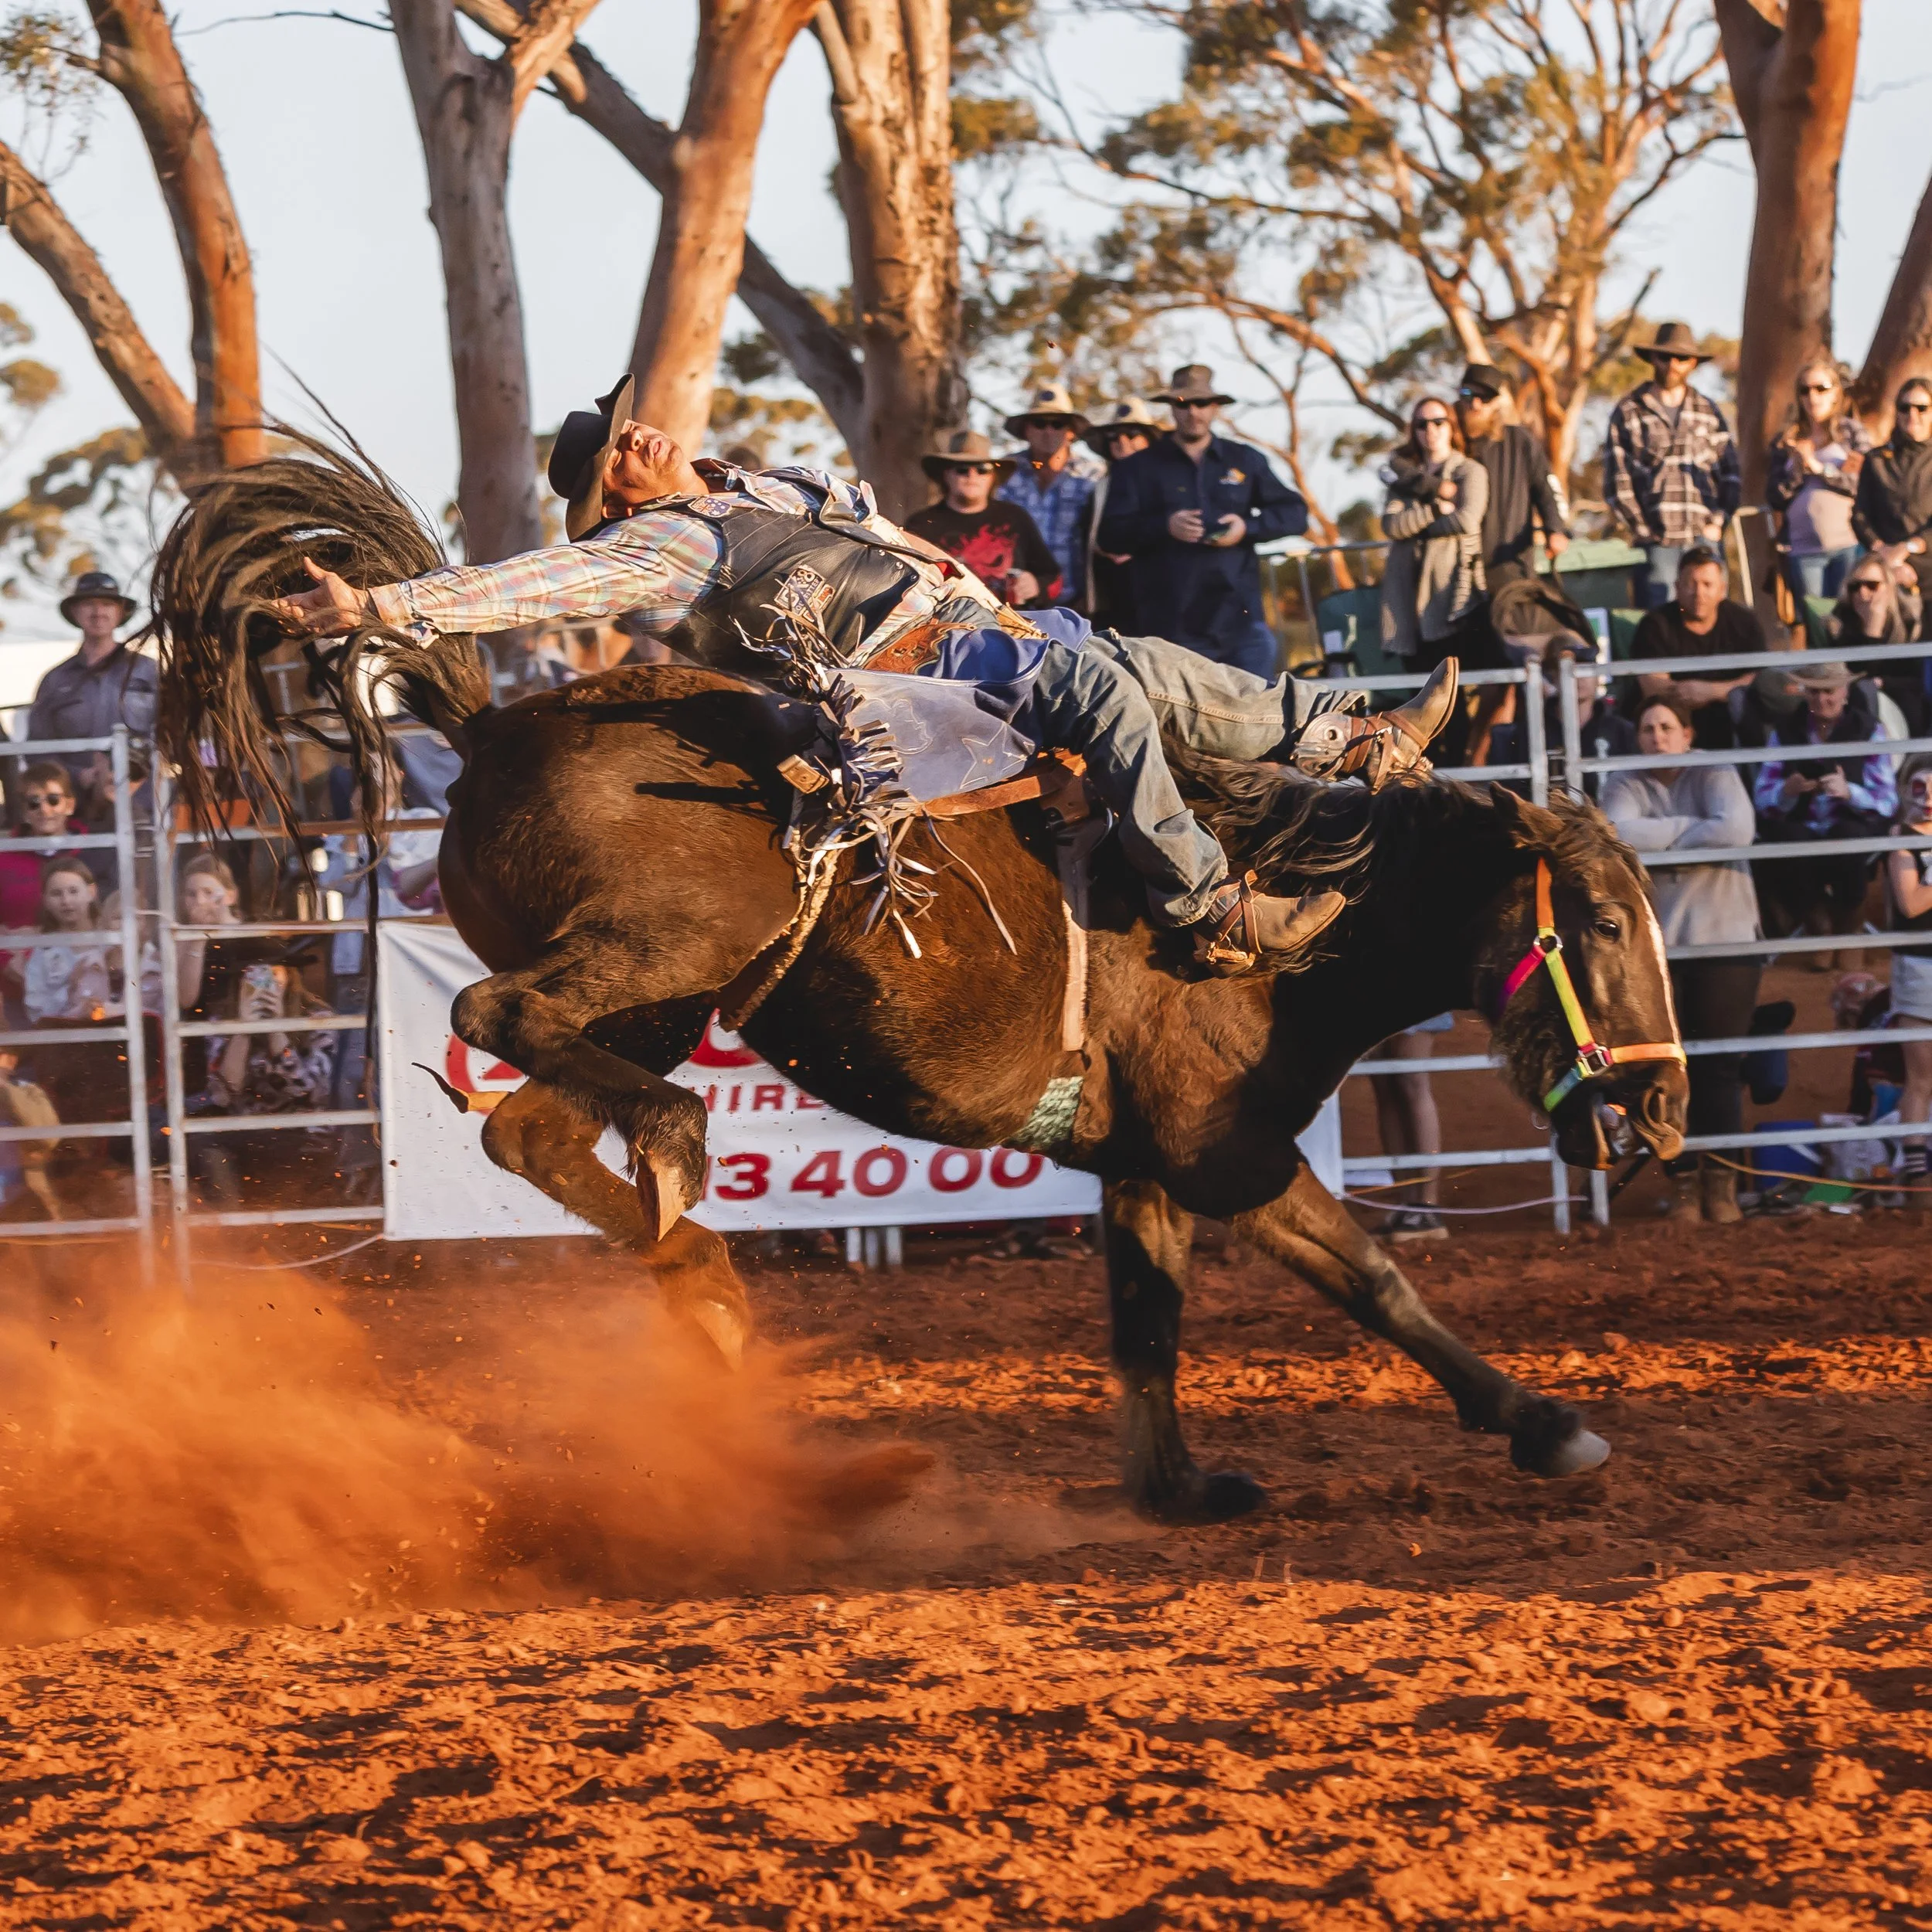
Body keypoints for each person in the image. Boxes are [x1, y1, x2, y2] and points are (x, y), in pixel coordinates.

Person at [274, 378, 1458, 978]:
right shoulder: (666, 545)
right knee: (1103, 694)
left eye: (631, 429)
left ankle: (1347, 739)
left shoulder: (757, 490)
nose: (638, 438)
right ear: (618, 502)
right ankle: (1208, 906)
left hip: (970, 628)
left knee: (1141, 664)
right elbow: (529, 589)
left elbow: (877, 529)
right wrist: (382, 605)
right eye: (620, 455)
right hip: (906, 682)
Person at [1603, 692, 1761, 1224]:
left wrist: (1662, 842)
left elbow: (1738, 830)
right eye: (1649, 729)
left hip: (1726, 941)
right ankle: (1685, 1186)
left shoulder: (1716, 771)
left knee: (1719, 1068)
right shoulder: (1624, 782)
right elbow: (1617, 835)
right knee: (1666, 1070)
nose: (1658, 737)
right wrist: (1695, 833)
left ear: (1687, 734)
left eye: (1668, 727)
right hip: (1657, 951)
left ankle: (1723, 1186)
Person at [1097, 364, 1310, 678]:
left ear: (1215, 408)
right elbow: (1110, 536)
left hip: (1240, 624)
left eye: (1201, 404)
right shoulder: (1138, 468)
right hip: (1169, 629)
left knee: (1255, 718)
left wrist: (1245, 528)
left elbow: (1296, 514)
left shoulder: (1244, 460)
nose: (1192, 412)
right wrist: (1164, 527)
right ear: (1171, 408)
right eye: (1183, 404)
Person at [1752, 661, 1896, 940]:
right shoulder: (1783, 732)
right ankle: (1816, 923)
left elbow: (1887, 801)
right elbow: (1762, 798)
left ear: (1845, 691)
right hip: (1800, 824)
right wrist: (1787, 791)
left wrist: (1850, 792)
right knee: (1791, 840)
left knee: (1849, 836)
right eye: (1813, 692)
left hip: (1850, 824)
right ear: (1804, 693)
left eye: (1829, 691)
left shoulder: (1870, 730)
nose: (1821, 699)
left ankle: (1849, 926)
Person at [1602, 322, 1742, 607]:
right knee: (1659, 621)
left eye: (1681, 358)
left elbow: (1731, 473)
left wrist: (1719, 521)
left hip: (1703, 539)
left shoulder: (1708, 410)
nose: (1672, 365)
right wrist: (1643, 530)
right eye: (1665, 357)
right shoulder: (1629, 411)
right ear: (1653, 359)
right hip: (1657, 544)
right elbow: (1617, 480)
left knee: (1712, 620)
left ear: (1693, 363)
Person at [187, 946, 338, 1206]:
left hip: (301, 1132)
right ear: (241, 979)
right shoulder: (221, 1021)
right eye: (255, 975)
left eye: (273, 975)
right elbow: (224, 1095)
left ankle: (266, 1234)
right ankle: (233, 1229)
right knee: (203, 1144)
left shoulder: (318, 1019)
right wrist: (243, 1030)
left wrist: (276, 1029)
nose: (265, 984)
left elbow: (306, 1090)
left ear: (290, 977)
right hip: (245, 1129)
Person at [24, 572, 158, 815]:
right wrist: (77, 775)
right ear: (75, 612)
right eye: (89, 604)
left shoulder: (148, 672)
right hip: (78, 814)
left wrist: (132, 772)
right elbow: (38, 751)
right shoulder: (55, 681)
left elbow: (171, 736)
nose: (98, 612)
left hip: (145, 806)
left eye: (107, 604)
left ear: (120, 613)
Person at [1379, 397, 1488, 668]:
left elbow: (1466, 520)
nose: (1431, 430)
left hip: (1453, 598)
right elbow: (1392, 526)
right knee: (1418, 696)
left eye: (1439, 422)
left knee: (1455, 692)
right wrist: (1435, 511)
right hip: (1407, 601)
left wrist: (1415, 529)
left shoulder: (1469, 472)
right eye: (1422, 424)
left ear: (1451, 426)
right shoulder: (1405, 478)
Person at [904, 431, 1060, 609]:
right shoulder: (921, 525)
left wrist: (1036, 586)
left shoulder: (1016, 518)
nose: (972, 476)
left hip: (1009, 627)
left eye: (982, 470)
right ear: (946, 475)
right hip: (943, 628)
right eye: (962, 470)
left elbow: (1054, 578)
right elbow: (905, 584)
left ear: (992, 476)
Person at [1629, 547, 1765, 750]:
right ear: (1677, 587)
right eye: (1691, 584)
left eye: (1707, 585)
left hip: (1731, 722)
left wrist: (1711, 691)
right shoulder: (1655, 624)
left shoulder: (1744, 622)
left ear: (1722, 589)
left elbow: (1760, 679)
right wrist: (1692, 693)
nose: (1699, 593)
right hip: (1675, 728)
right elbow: (1653, 687)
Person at [1766, 359, 1872, 602]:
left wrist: (1819, 468)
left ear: (1836, 393)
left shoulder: (1852, 434)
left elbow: (1865, 486)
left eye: (1820, 388)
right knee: (1818, 627)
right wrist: (1797, 470)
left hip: (1849, 544)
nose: (1812, 396)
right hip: (1803, 551)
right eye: (1805, 390)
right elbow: (1774, 496)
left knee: (1848, 620)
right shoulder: (1787, 439)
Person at [996, 383, 1103, 614]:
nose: (1048, 431)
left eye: (1058, 424)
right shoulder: (1003, 473)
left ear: (1071, 432)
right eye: (1039, 423)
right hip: (1016, 603)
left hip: (1076, 604)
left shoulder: (1093, 476)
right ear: (1026, 430)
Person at [1885, 754, 1932, 1201]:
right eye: (1919, 788)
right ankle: (1918, 1178)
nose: (1929, 799)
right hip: (1919, 966)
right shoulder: (1901, 837)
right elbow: (1911, 903)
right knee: (1921, 1079)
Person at [1368, 1015, 1451, 1243]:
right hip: (1370, 989)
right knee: (1385, 1088)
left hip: (1414, 989)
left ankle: (1427, 1208)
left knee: (1412, 1081)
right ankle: (1408, 1205)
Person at [1853, 377, 1932, 607]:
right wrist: (1883, 552)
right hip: (1885, 570)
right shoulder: (1876, 460)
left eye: (1922, 408)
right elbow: (1860, 515)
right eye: (1904, 407)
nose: (1912, 415)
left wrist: (1907, 549)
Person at [1083, 399, 1160, 634]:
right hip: (1112, 597)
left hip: (1160, 595)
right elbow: (1088, 535)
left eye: (1132, 433)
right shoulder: (1101, 486)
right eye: (1114, 436)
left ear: (1149, 439)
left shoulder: (1166, 483)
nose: (1122, 442)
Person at [1, 762, 90, 934]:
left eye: (53, 800)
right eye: (34, 802)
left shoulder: (95, 849)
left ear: (70, 805)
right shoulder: (3, 860)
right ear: (24, 811)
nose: (44, 809)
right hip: (17, 957)